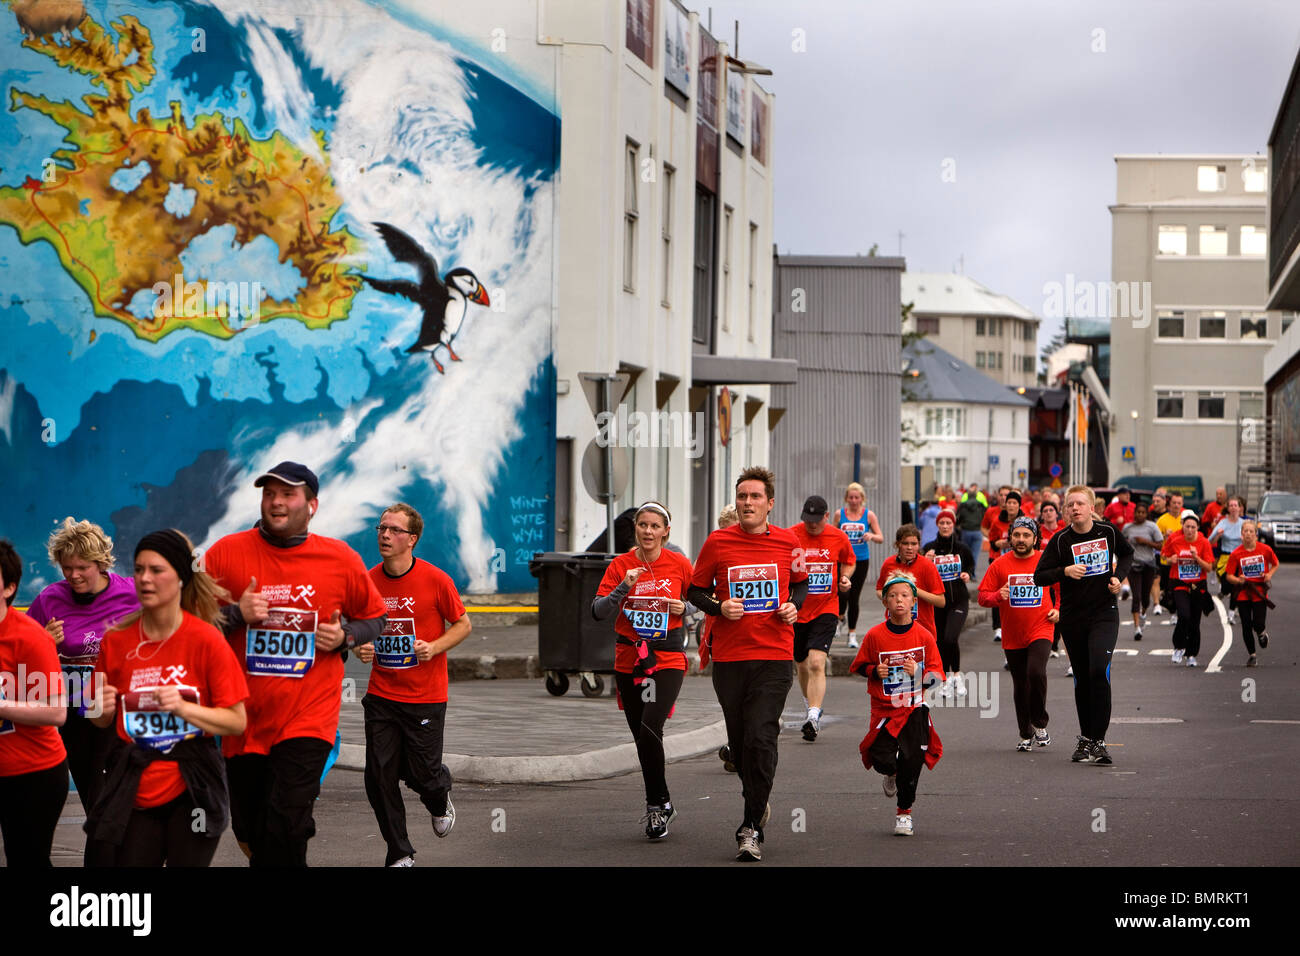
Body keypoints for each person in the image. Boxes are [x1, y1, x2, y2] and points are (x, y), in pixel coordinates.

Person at [203, 461, 388, 867]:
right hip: (241, 718)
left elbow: (376, 617)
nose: (276, 502)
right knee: (251, 829)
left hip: (309, 715)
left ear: (312, 505)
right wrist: (235, 614)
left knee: (288, 820)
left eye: (287, 494)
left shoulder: (339, 558)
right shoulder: (225, 554)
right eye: (269, 493)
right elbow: (189, 624)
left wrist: (346, 636)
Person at [85, 530, 249, 867]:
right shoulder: (115, 641)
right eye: (139, 569)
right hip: (134, 787)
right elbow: (98, 718)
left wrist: (184, 708)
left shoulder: (206, 640)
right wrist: (98, 709)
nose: (145, 579)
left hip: (193, 787)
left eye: (157, 570)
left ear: (181, 578)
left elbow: (236, 720)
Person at [689, 466, 807, 862]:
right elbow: (695, 590)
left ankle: (750, 826)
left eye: (755, 497)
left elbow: (803, 582)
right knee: (741, 746)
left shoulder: (789, 541)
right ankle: (757, 795)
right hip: (730, 657)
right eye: (742, 497)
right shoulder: (718, 542)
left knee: (761, 736)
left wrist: (794, 605)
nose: (747, 503)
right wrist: (719, 606)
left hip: (774, 655)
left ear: (770, 504)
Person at [356, 503, 471, 865]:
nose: (385, 535)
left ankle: (438, 794)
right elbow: (358, 627)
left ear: (412, 539)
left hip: (425, 696)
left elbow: (463, 625)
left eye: (393, 530)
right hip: (382, 695)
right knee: (378, 776)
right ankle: (399, 852)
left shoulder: (436, 580)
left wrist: (434, 647)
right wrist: (360, 645)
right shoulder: (369, 581)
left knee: (422, 773)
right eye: (381, 528)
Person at [593, 501, 692, 840]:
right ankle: (661, 803)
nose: (648, 531)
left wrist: (687, 606)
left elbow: (704, 599)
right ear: (635, 529)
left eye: (655, 526)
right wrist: (624, 586)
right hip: (629, 659)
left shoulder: (679, 563)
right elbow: (598, 611)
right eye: (643, 525)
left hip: (665, 659)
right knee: (641, 736)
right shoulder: (621, 565)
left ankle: (657, 805)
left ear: (666, 531)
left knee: (651, 727)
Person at [24, 517, 138, 812]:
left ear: (101, 564)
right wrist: (44, 642)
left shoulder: (132, 594)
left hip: (123, 711)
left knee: (128, 797)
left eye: (82, 567)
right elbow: (18, 653)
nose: (73, 575)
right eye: (67, 568)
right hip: (77, 716)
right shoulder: (49, 599)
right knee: (96, 804)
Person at [1032, 486, 1133, 765]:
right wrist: (1064, 571)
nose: (1075, 508)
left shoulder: (1108, 532)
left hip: (1104, 613)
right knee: (1082, 677)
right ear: (1066, 511)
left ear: (1091, 508)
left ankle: (1099, 741)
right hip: (1073, 617)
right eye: (1070, 505)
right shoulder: (1061, 541)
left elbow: (1127, 554)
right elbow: (1039, 576)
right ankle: (1086, 738)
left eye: (1080, 504)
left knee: (1098, 670)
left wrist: (1118, 577)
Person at [850, 573, 944, 837]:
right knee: (880, 757)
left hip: (914, 707)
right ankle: (891, 773)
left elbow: (938, 677)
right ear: (885, 604)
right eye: (892, 596)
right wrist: (873, 670)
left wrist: (920, 672)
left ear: (914, 601)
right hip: (884, 710)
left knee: (913, 760)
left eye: (904, 595)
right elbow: (858, 666)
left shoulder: (924, 636)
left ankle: (904, 813)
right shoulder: (874, 635)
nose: (898, 600)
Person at [0, 540, 69, 868]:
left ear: (9, 587)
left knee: (26, 859)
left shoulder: (30, 638)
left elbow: (57, 712)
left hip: (32, 774)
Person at [979, 518, 1057, 750]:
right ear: (1010, 537)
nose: (1021, 540)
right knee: (1020, 683)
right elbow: (983, 596)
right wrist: (997, 596)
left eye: (1026, 535)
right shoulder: (1000, 565)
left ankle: (1039, 722)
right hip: (1013, 633)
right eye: (1017, 535)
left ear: (1035, 538)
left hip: (1041, 627)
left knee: (1036, 672)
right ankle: (1025, 733)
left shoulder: (1045, 561)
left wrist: (1058, 609)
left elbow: (1062, 587)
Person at [786, 496, 854, 741]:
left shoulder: (838, 537)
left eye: (816, 520)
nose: (811, 525)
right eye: (807, 520)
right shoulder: (791, 536)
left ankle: (813, 716)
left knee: (816, 662)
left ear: (827, 516)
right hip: (797, 609)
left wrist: (845, 577)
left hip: (827, 607)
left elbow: (849, 561)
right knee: (801, 664)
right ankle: (809, 706)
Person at [703, 505, 740, 774]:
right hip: (721, 633)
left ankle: (739, 745)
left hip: (755, 637)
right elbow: (696, 590)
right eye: (723, 528)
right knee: (730, 697)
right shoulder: (714, 549)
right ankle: (735, 743)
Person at [922, 510, 974, 696]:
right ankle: (945, 678)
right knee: (941, 640)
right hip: (938, 601)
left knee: (951, 637)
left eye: (948, 523)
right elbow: (921, 573)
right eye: (942, 523)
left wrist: (967, 574)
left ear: (953, 525)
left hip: (959, 599)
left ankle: (957, 675)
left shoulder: (962, 548)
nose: (945, 526)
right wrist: (926, 561)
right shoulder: (929, 548)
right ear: (937, 525)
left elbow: (970, 566)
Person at [1160, 511, 1214, 668]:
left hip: (1198, 585)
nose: (1190, 530)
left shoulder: (1203, 543)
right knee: (1184, 615)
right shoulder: (1175, 540)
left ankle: (1191, 655)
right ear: (1182, 526)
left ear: (1197, 528)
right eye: (1187, 526)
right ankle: (1178, 647)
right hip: (1180, 583)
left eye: (1193, 527)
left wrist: (1197, 558)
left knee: (1195, 622)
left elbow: (1209, 567)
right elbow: (1164, 555)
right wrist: (1170, 559)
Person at [832, 482, 883, 649]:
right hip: (843, 560)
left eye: (857, 497)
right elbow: (831, 534)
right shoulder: (840, 514)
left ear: (862, 499)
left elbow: (880, 537)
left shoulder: (869, 516)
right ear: (846, 498)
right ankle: (840, 618)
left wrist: (871, 535)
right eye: (851, 497)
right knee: (841, 593)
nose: (854, 500)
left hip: (860, 559)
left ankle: (852, 634)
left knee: (854, 597)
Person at [874, 525, 945, 642]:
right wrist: (890, 598)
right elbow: (879, 590)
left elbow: (941, 601)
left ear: (919, 545)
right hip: (894, 627)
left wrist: (914, 591)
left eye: (914, 544)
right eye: (905, 543)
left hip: (923, 629)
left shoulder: (927, 566)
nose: (910, 548)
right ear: (897, 545)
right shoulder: (888, 564)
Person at [1224, 521, 1278, 667]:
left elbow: (1275, 563)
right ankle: (1252, 655)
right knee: (1246, 624)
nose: (1248, 534)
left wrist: (1268, 575)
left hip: (1259, 592)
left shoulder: (1265, 549)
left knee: (1258, 623)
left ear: (1256, 534)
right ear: (1241, 535)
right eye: (1245, 531)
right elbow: (1228, 575)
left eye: (1251, 531)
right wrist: (1238, 580)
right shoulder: (1236, 554)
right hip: (1244, 593)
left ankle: (1261, 634)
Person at [1121, 503, 1163, 642]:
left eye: (1142, 512)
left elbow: (1160, 545)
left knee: (1145, 598)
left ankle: (1144, 613)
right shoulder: (1128, 528)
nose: (1140, 515)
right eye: (1137, 512)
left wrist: (1145, 542)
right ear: (1134, 513)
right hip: (1133, 566)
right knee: (1136, 596)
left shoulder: (1152, 526)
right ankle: (1137, 628)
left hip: (1149, 565)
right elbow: (1121, 543)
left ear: (1146, 514)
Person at [985, 491, 1023, 642]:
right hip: (999, 560)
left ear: (1019, 505)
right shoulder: (997, 521)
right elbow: (992, 541)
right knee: (998, 593)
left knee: (1015, 594)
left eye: (1015, 503)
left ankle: (1016, 624)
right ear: (1005, 504)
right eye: (1009, 502)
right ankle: (998, 627)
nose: (1011, 505)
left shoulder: (1024, 520)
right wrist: (999, 543)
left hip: (1018, 561)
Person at [1208, 497, 1246, 625]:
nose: (1234, 508)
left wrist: (1245, 538)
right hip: (1226, 558)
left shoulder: (1243, 524)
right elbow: (1210, 541)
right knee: (1227, 584)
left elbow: (1253, 541)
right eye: (1231, 505)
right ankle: (1223, 591)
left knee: (1237, 585)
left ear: (1240, 508)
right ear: (1228, 508)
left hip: (1239, 558)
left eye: (1236, 505)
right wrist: (1218, 535)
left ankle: (1231, 614)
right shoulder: (1223, 523)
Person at [956, 485, 988, 575]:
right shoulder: (980, 505)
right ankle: (972, 573)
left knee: (965, 552)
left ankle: (965, 571)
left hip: (965, 531)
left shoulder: (963, 505)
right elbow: (985, 517)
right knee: (975, 554)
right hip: (977, 531)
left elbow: (958, 518)